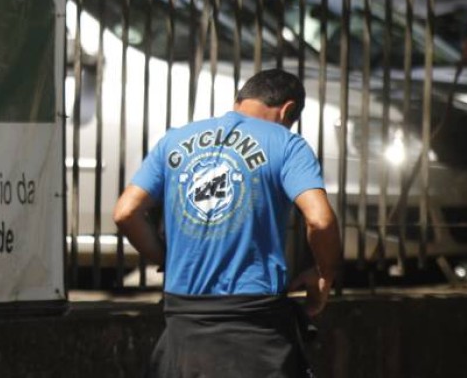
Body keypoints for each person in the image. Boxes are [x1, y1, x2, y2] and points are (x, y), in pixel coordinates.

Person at [113, 68, 341, 377]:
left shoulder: (174, 140)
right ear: (287, 110)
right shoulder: (287, 144)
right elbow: (320, 220)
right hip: (255, 326)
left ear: (239, 101)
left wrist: (168, 258)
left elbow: (125, 212)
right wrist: (324, 276)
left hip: (183, 322)